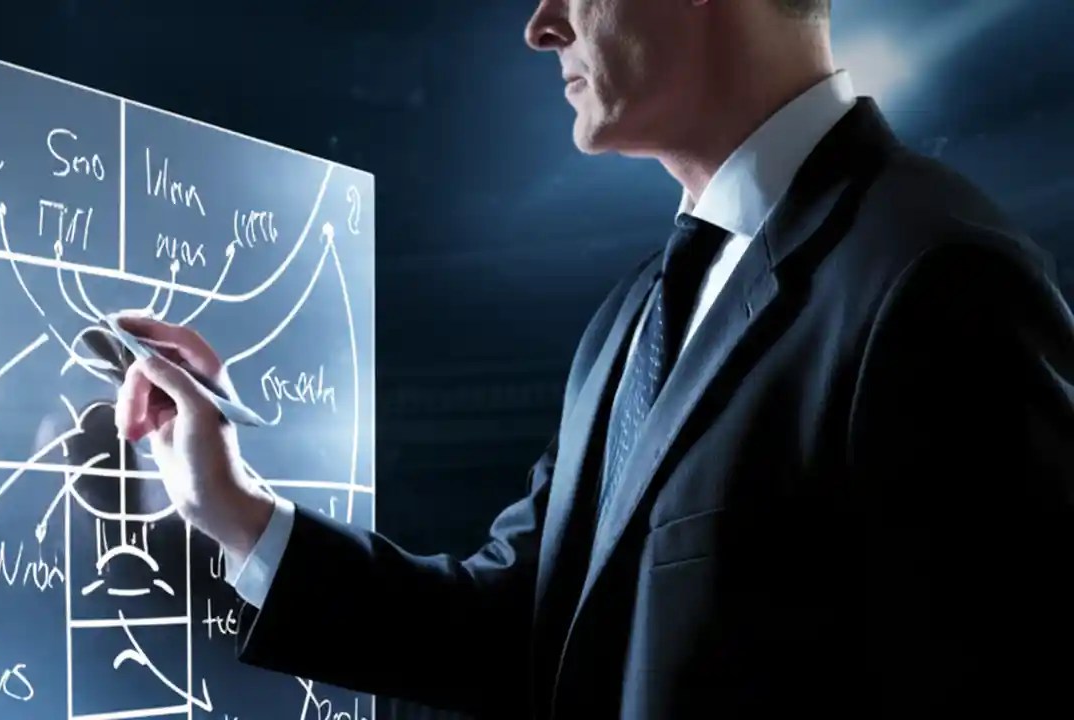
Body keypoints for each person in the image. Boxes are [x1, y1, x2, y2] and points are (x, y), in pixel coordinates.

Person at [114, 0, 1074, 717]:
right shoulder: (628, 321)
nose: (542, 25)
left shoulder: (939, 277)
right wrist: (232, 510)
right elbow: (505, 628)